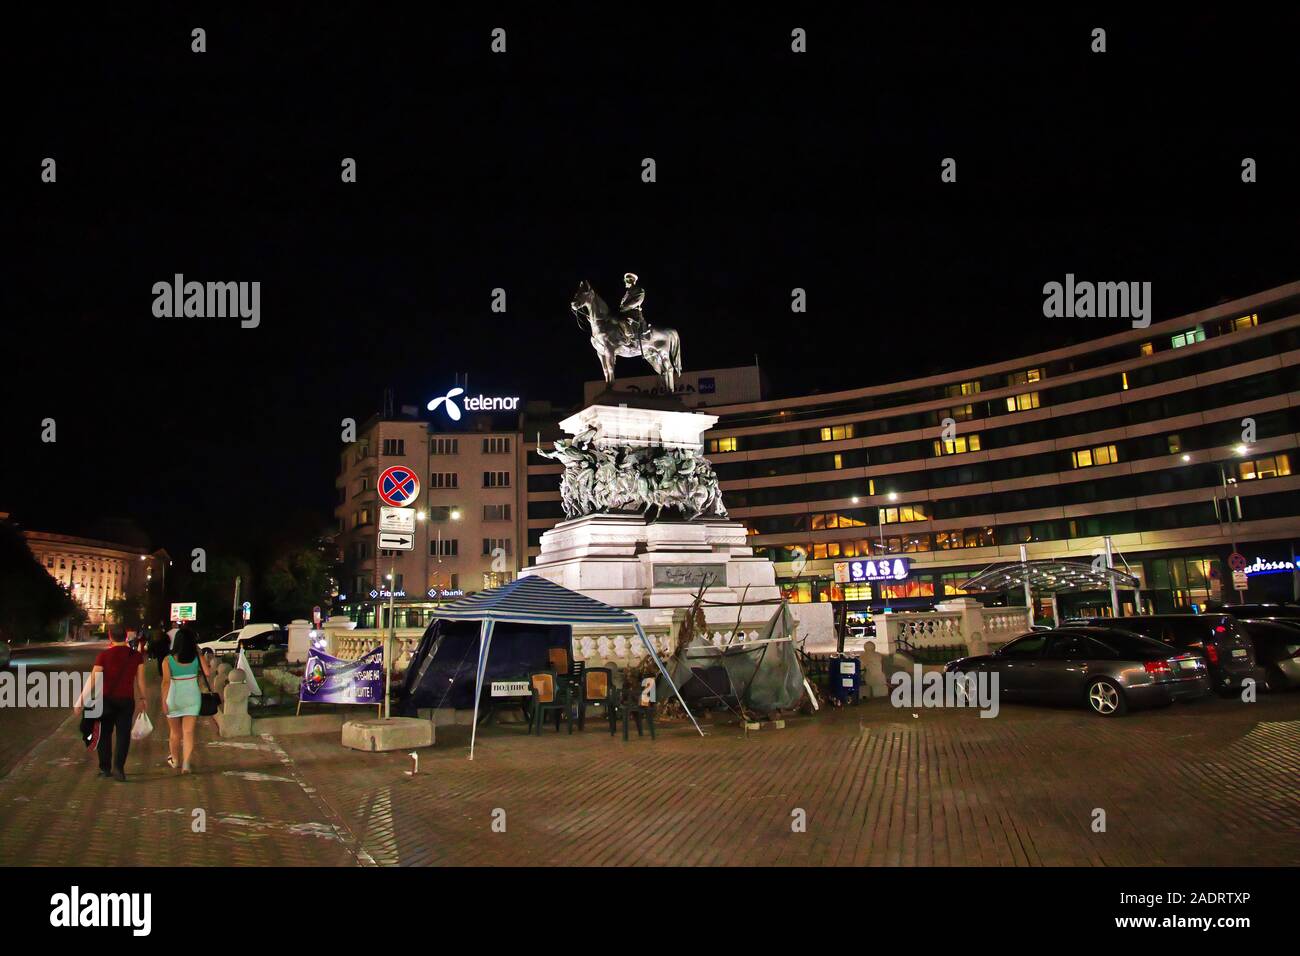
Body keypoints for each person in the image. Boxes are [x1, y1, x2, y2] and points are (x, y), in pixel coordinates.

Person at [73, 623, 146, 782]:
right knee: (123, 735)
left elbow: (92, 680)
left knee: (104, 734)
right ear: (126, 637)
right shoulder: (136, 656)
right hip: (126, 701)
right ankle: (119, 769)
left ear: (110, 636)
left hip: (105, 700)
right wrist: (143, 698)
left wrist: (80, 701)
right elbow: (140, 680)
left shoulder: (104, 656)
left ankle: (105, 769)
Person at [160, 627, 212, 774]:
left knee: (175, 733)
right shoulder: (197, 656)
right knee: (188, 732)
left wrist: (163, 702)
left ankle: (175, 760)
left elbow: (165, 683)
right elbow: (207, 672)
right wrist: (200, 653)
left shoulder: (168, 660)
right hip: (192, 697)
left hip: (174, 697)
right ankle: (186, 764)